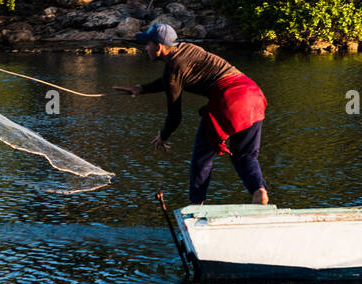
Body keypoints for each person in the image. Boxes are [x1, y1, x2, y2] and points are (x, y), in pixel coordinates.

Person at [114, 24, 270, 206]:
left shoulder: (174, 69)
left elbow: (175, 116)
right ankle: (259, 190)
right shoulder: (186, 49)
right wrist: (141, 89)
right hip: (253, 94)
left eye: (147, 44)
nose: (145, 49)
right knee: (244, 155)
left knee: (201, 158)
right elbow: (172, 79)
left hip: (229, 100)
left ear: (159, 46)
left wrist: (163, 136)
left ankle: (197, 205)